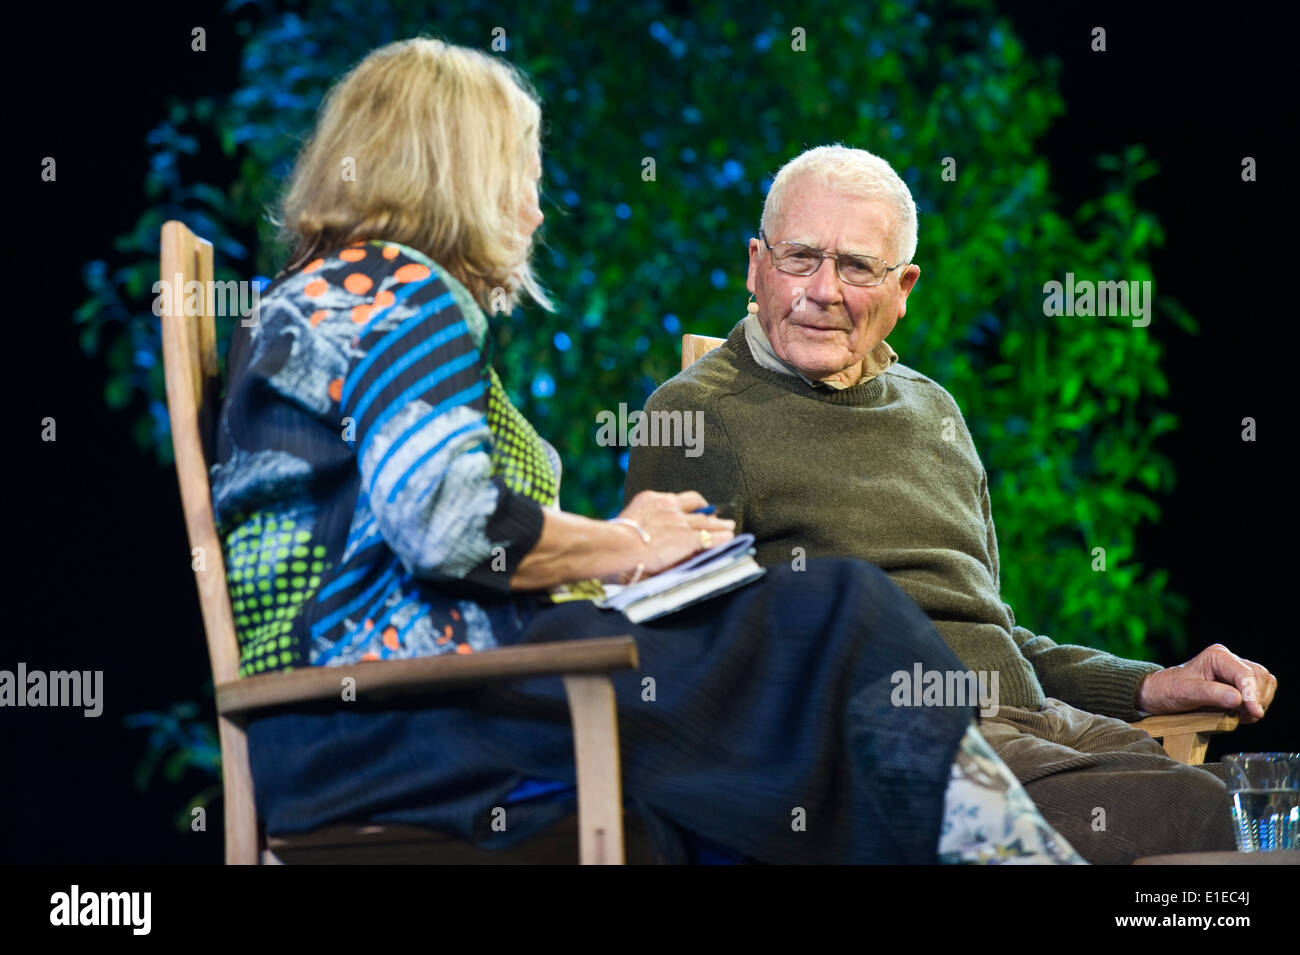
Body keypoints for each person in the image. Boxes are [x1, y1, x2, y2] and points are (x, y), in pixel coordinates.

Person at [211, 37, 1085, 864]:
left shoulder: (316, 296)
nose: (535, 209)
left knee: (782, 713)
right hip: (406, 730)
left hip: (338, 736)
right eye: (523, 176)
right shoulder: (396, 290)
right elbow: (449, 522)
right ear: (459, 175)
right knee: (838, 616)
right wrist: (630, 543)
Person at [623, 144, 1279, 864]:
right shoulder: (698, 417)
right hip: (902, 755)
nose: (823, 290)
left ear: (903, 288)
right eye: (800, 257)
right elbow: (685, 662)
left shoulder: (932, 409)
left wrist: (1150, 684)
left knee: (1250, 807)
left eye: (856, 267)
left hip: (1040, 727)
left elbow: (992, 630)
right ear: (755, 264)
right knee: (1201, 817)